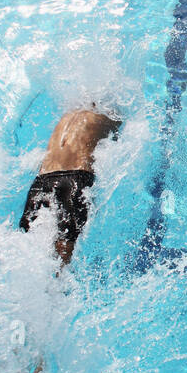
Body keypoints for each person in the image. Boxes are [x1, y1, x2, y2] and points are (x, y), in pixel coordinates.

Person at [19, 106, 121, 265]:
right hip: (74, 179)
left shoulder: (70, 111)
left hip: (41, 181)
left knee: (26, 248)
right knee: (64, 256)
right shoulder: (110, 112)